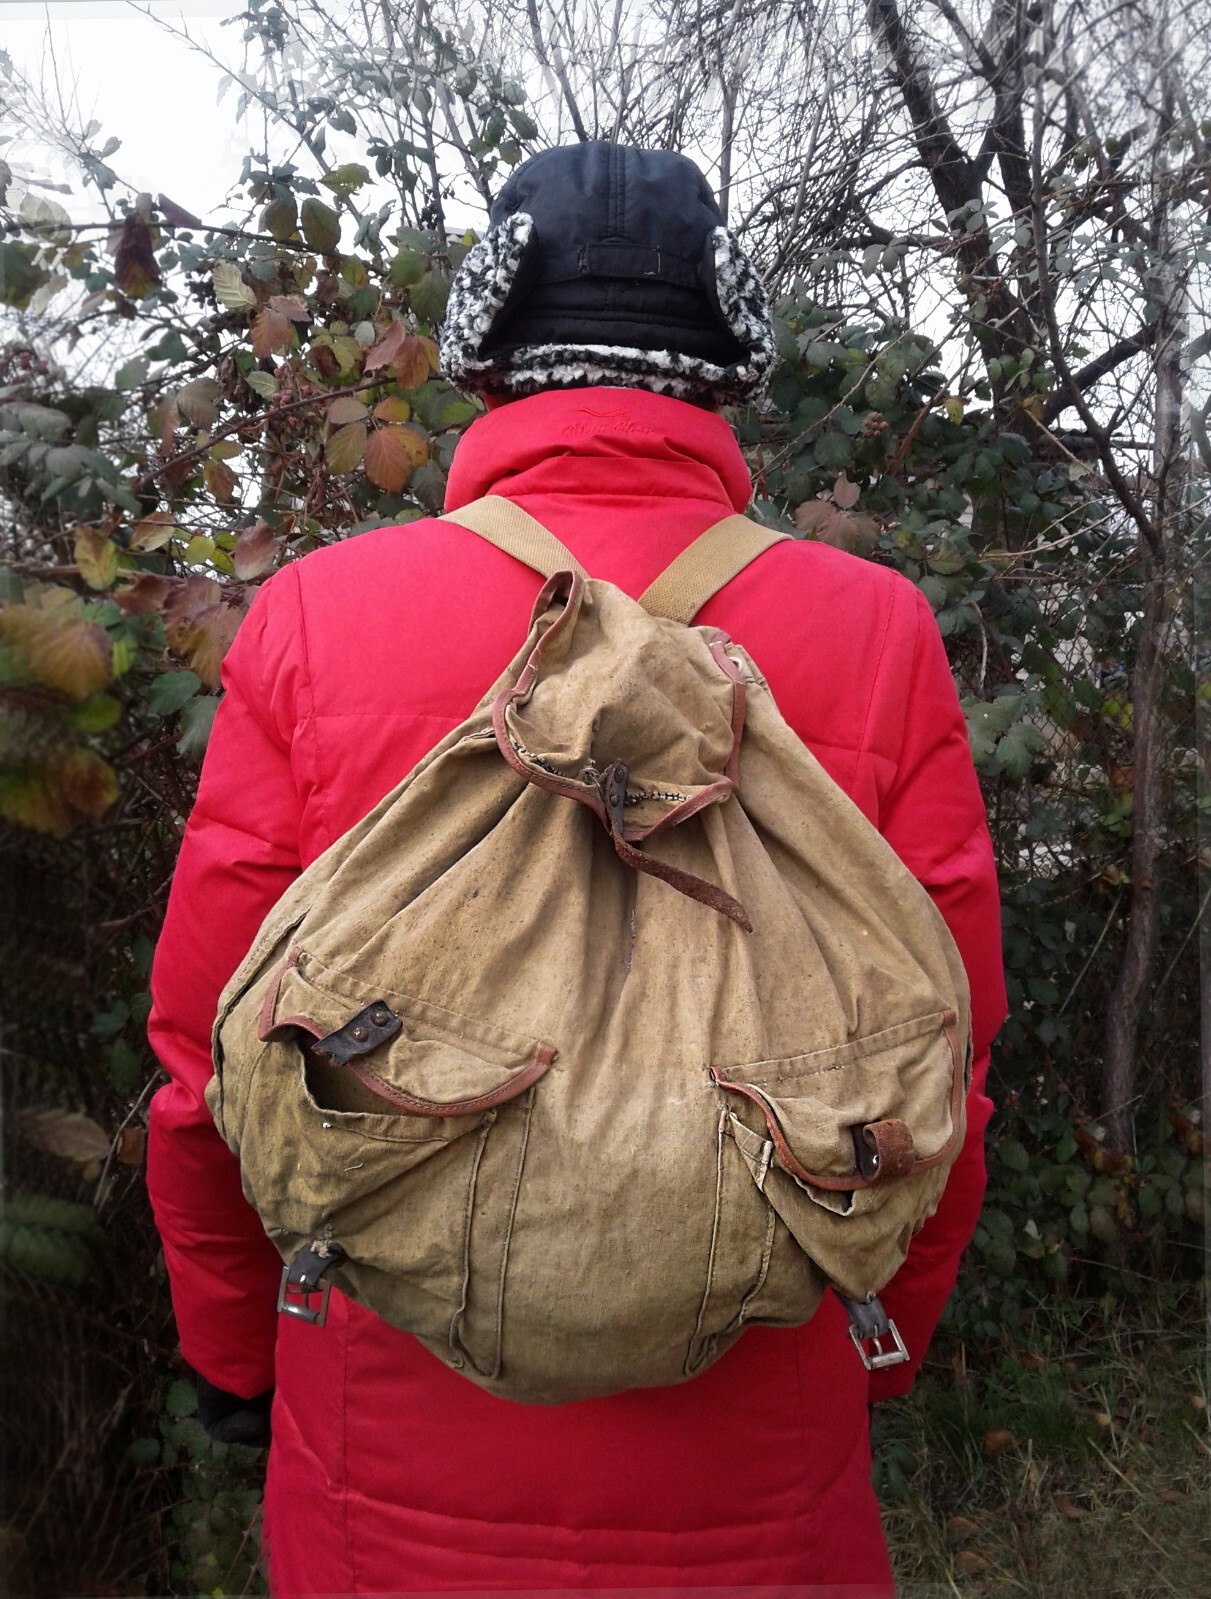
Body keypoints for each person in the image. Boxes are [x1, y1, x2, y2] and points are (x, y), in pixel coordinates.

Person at [147, 141, 1005, 1596]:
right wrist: (884, 1327)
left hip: (386, 1467)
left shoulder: (316, 618)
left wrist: (237, 1350)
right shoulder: (870, 632)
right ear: (729, 363)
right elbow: (942, 1062)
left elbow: (207, 1062)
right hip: (759, 1467)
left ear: (486, 357)